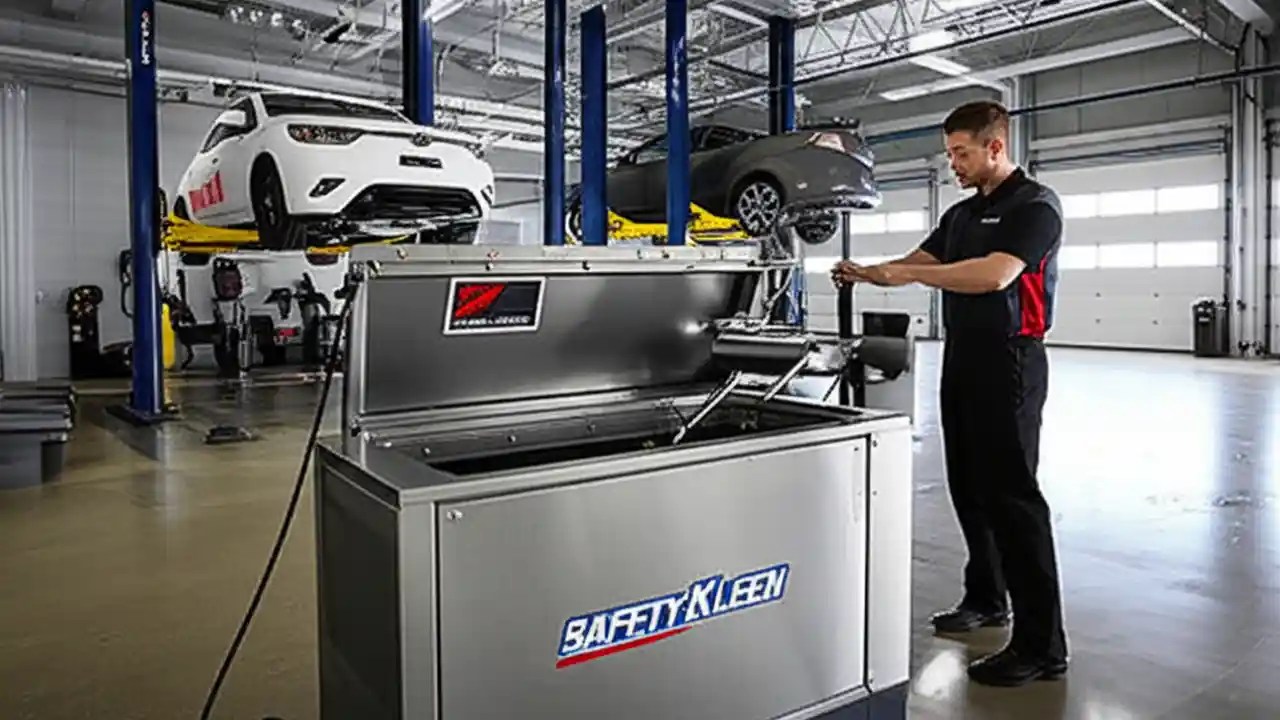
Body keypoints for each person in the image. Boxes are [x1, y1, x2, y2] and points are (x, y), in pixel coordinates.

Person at [831, 100, 1068, 687]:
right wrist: (870, 271)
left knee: (1014, 500)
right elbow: (920, 259)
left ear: (995, 147)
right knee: (969, 484)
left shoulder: (1034, 206)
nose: (953, 164)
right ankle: (987, 598)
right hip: (963, 357)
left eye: (961, 153)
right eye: (949, 154)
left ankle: (1043, 645)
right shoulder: (962, 215)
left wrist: (911, 275)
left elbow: (994, 275)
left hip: (1011, 360)